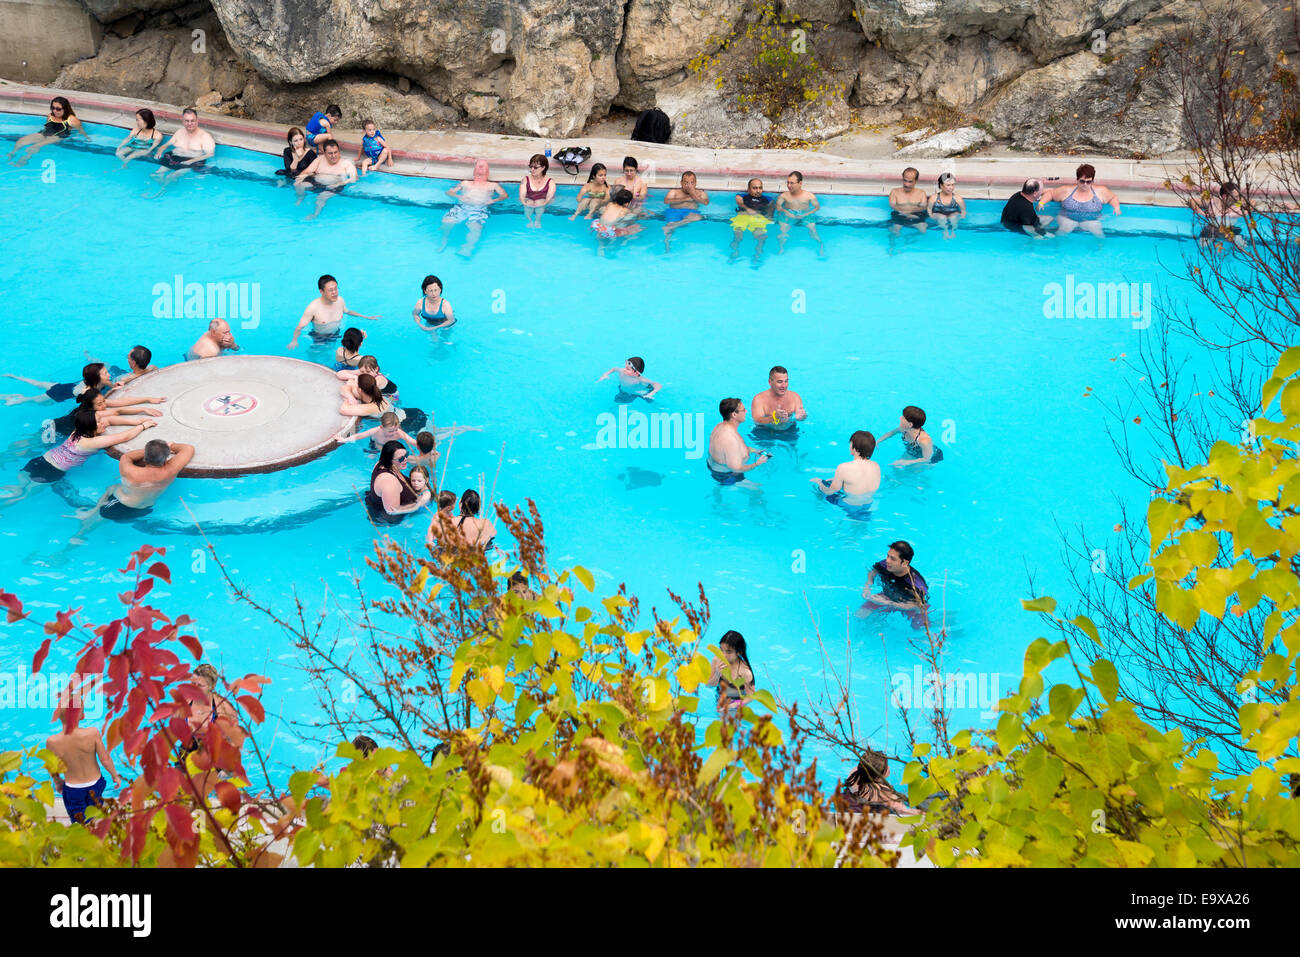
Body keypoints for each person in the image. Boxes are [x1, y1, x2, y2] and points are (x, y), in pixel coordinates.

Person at [2, 406, 157, 504]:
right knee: (23, 495)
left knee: (18, 487)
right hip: (50, 471)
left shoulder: (79, 431)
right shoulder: (89, 442)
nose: (103, 422)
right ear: (91, 427)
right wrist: (142, 425)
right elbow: (123, 438)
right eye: (99, 422)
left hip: (40, 460)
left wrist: (136, 420)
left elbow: (109, 420)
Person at [72, 440, 196, 542]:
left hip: (118, 506)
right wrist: (170, 446)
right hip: (144, 510)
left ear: (145, 457)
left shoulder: (129, 469)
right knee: (114, 492)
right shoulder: (170, 470)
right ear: (165, 458)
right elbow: (188, 448)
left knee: (110, 491)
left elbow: (127, 456)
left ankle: (83, 527)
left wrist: (149, 452)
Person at [47, 705, 121, 824]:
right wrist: (115, 775)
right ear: (81, 716)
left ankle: (84, 835)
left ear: (58, 717)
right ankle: (94, 827)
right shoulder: (92, 733)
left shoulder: (52, 742)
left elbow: (51, 767)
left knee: (79, 821)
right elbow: (105, 759)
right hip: (96, 785)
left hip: (73, 789)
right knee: (94, 812)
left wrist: (58, 782)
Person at [289, 274, 380, 349]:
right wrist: (294, 340)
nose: (334, 292)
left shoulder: (340, 301)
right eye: (330, 290)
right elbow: (299, 327)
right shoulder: (313, 308)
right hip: (319, 338)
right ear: (321, 291)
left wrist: (366, 317)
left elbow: (347, 311)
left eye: (336, 288)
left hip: (336, 333)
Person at [439, 160, 509, 256]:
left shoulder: (492, 185)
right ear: (473, 171)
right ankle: (444, 241)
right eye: (478, 166)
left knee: (475, 227)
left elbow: (504, 195)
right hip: (461, 207)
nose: (480, 167)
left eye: (483, 166)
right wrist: (459, 197)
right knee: (447, 220)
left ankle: (467, 248)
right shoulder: (465, 183)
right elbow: (449, 192)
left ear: (488, 172)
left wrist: (493, 201)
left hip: (479, 209)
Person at [1039, 164, 1121, 237]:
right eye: (1082, 181)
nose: (1085, 184)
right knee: (1062, 233)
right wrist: (1042, 202)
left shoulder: (1100, 191)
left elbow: (1112, 197)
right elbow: (1050, 194)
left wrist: (1116, 206)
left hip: (1091, 221)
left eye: (1088, 182)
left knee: (1100, 235)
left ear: (1092, 181)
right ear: (1077, 180)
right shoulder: (1067, 190)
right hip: (1067, 219)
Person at [862, 541, 929, 627]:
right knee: (860, 615)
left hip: (910, 605)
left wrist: (887, 603)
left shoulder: (916, 584)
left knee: (921, 629)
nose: (887, 560)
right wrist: (867, 587)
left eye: (893, 559)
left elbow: (918, 606)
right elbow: (872, 573)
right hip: (887, 596)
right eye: (888, 556)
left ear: (905, 563)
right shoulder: (884, 565)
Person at [149, 108, 217, 194]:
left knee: (172, 176)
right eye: (187, 121)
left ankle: (162, 191)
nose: (189, 124)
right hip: (175, 157)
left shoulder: (205, 136)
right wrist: (160, 150)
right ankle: (156, 188)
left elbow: (210, 154)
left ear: (197, 120)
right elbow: (167, 144)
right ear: (183, 121)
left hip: (192, 160)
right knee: (156, 174)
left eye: (192, 121)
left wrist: (191, 161)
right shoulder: (179, 132)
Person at [707, 398, 771, 485]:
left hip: (714, 467)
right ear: (734, 414)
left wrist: (754, 451)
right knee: (758, 490)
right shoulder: (730, 439)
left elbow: (729, 451)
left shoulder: (720, 426)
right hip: (727, 476)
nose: (746, 411)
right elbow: (736, 468)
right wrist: (757, 463)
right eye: (743, 410)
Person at [838, 749, 917, 817]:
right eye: (886, 768)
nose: (888, 767)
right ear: (877, 777)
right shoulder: (883, 794)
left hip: (847, 800)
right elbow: (903, 810)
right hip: (870, 809)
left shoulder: (856, 772)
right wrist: (923, 812)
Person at [365, 441, 429, 524]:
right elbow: (391, 512)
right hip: (386, 520)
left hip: (373, 501)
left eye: (406, 455)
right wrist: (417, 505)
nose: (405, 460)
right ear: (389, 460)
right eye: (401, 459)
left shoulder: (382, 463)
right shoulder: (389, 483)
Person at [811, 430, 880, 507]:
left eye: (850, 443)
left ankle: (819, 505)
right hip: (869, 504)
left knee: (819, 488)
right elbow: (860, 482)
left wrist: (819, 482)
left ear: (855, 447)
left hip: (849, 506)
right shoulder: (876, 466)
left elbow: (830, 492)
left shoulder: (843, 467)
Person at [8, 96, 84, 166]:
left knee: (34, 146)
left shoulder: (73, 120)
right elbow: (47, 128)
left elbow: (80, 132)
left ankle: (24, 160)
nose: (55, 111)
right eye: (53, 108)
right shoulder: (50, 116)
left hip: (59, 136)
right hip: (45, 133)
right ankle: (11, 154)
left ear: (65, 108)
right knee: (21, 142)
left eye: (58, 109)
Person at [1, 361, 115, 407]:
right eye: (105, 373)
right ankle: (20, 397)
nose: (108, 375)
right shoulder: (84, 390)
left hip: (63, 386)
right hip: (57, 393)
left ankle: (15, 377)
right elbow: (84, 395)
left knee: (39, 383)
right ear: (97, 378)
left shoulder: (97, 380)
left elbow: (109, 384)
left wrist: (114, 386)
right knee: (32, 400)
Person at [294, 139, 357, 219]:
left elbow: (354, 178)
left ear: (339, 151)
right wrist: (299, 179)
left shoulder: (346, 163)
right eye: (330, 153)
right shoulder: (320, 160)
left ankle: (315, 214)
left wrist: (339, 184)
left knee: (322, 196)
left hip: (334, 186)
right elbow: (306, 171)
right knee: (300, 185)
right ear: (324, 153)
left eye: (336, 152)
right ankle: (300, 200)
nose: (334, 156)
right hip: (316, 183)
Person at [705, 630, 755, 713]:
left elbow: (751, 696)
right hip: (720, 700)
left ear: (739, 652)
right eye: (721, 650)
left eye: (729, 652)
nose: (724, 655)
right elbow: (708, 685)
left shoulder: (745, 672)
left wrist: (735, 705)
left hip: (737, 704)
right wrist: (717, 674)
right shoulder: (716, 660)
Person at [1190, 181, 1249, 250]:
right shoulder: (1213, 201)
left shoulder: (1237, 204)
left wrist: (1244, 212)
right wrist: (1203, 214)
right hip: (1211, 230)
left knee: (1244, 247)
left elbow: (1253, 202)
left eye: (1238, 196)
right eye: (1236, 196)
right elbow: (1192, 201)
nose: (1238, 198)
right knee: (1203, 247)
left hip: (1229, 230)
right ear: (1225, 196)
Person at [877, 405, 944, 466]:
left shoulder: (924, 441)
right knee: (896, 466)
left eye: (903, 418)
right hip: (914, 451)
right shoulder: (904, 429)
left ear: (910, 425)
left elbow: (926, 459)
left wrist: (907, 462)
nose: (900, 418)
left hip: (932, 458)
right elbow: (891, 433)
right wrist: (877, 442)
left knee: (910, 473)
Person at [776, 171, 823, 253]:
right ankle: (781, 248)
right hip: (789, 215)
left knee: (813, 230)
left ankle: (820, 247)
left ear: (800, 183)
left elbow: (817, 208)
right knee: (783, 232)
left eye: (792, 183)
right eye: (788, 183)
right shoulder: (784, 196)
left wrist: (805, 215)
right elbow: (778, 207)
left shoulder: (809, 196)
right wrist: (786, 212)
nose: (789, 185)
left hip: (805, 214)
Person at [750, 365, 807, 434]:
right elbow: (757, 420)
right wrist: (773, 417)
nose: (784, 386)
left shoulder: (795, 397)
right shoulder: (759, 399)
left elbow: (800, 417)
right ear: (770, 382)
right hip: (764, 431)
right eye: (780, 382)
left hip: (789, 431)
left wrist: (802, 417)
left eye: (786, 381)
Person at [730, 178, 774, 263]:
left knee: (760, 236)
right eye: (755, 188)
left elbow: (770, 213)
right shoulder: (741, 197)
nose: (758, 191)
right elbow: (738, 201)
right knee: (738, 234)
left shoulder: (768, 200)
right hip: (743, 216)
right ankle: (734, 252)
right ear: (748, 189)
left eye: (760, 188)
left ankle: (757, 255)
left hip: (758, 218)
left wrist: (769, 219)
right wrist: (748, 209)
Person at [662, 171, 709, 249]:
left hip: (691, 213)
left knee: (697, 217)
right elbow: (666, 201)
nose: (689, 185)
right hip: (674, 211)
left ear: (696, 183)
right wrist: (685, 199)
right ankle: (667, 243)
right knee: (670, 224)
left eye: (692, 183)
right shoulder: (674, 192)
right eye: (686, 183)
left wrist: (694, 195)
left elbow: (706, 202)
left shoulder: (700, 193)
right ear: (681, 183)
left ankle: (674, 225)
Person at [593, 188, 642, 252]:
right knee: (637, 227)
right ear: (627, 203)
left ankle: (600, 248)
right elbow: (632, 217)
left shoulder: (610, 204)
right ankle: (623, 243)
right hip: (611, 232)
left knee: (602, 240)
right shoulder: (625, 210)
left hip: (599, 227)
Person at [337, 410, 416, 450]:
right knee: (371, 455)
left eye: (396, 429)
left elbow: (412, 441)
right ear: (382, 427)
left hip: (390, 446)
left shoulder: (399, 433)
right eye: (391, 431)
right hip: (375, 444)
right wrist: (344, 440)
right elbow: (360, 435)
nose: (395, 432)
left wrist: (424, 448)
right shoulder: (376, 431)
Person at [597, 356, 661, 402]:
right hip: (626, 392)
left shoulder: (640, 380)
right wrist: (605, 375)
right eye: (625, 367)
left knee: (650, 401)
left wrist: (651, 393)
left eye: (628, 369)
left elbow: (658, 385)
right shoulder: (622, 371)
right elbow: (614, 369)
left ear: (636, 373)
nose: (624, 370)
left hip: (641, 392)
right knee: (617, 401)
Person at [888, 167, 929, 236]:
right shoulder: (894, 192)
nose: (907, 184)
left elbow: (923, 207)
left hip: (915, 215)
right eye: (905, 180)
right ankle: (892, 246)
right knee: (895, 230)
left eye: (910, 181)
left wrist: (910, 212)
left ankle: (909, 238)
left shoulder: (921, 193)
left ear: (916, 181)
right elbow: (893, 206)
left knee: (923, 230)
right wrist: (904, 212)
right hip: (900, 215)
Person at [519, 153, 556, 228]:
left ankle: (537, 220)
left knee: (540, 201)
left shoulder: (550, 182)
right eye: (531, 166)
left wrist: (543, 204)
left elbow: (549, 197)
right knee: (528, 201)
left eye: (535, 167)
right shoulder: (525, 179)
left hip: (542, 201)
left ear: (543, 168)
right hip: (529, 200)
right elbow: (522, 195)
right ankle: (529, 221)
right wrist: (524, 203)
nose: (532, 169)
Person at [927, 172, 966, 238]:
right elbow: (929, 210)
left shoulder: (957, 198)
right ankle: (945, 231)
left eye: (953, 185)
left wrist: (961, 217)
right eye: (948, 185)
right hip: (938, 214)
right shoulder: (934, 198)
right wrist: (932, 218)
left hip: (953, 213)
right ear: (941, 185)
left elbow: (963, 211)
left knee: (953, 217)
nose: (951, 187)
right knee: (942, 217)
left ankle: (953, 231)